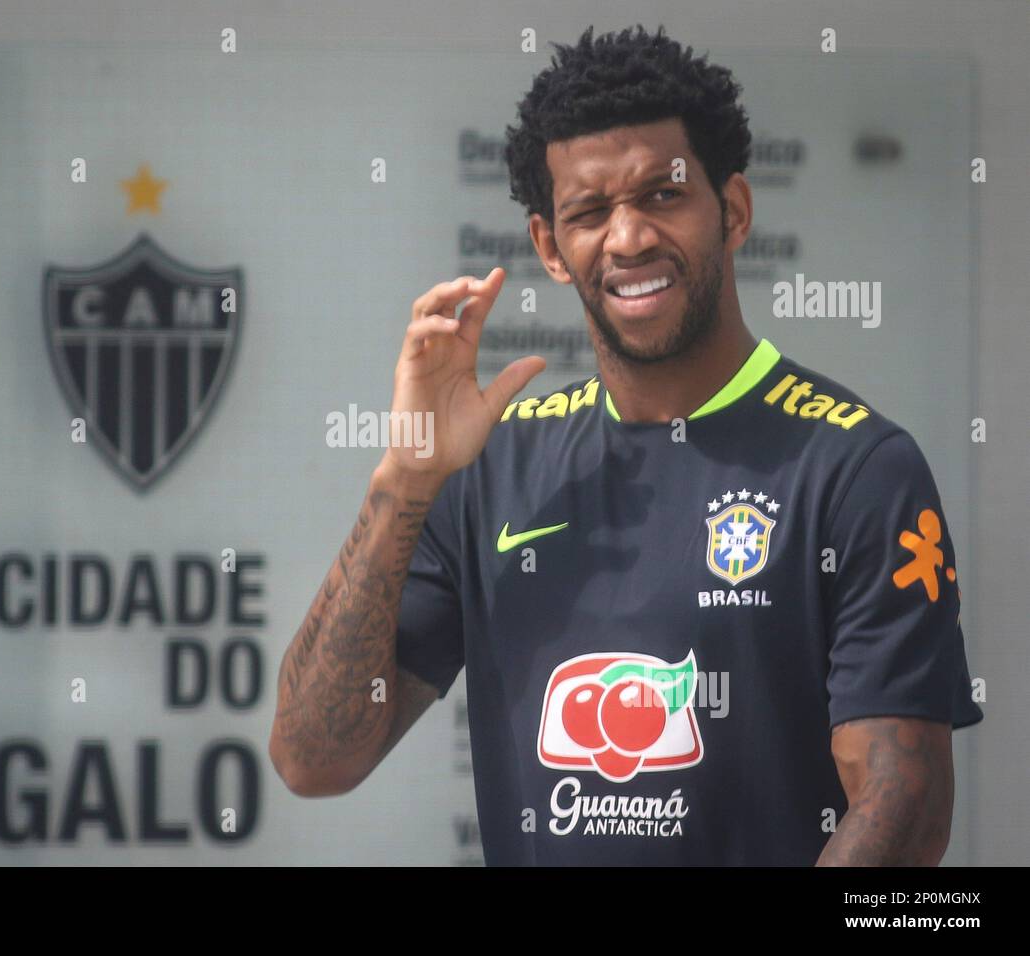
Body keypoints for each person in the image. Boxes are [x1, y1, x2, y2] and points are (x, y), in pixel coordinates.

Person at [268, 24, 982, 865]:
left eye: (662, 195)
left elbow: (906, 807)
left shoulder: (857, 468)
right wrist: (407, 477)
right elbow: (313, 759)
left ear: (734, 211)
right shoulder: (489, 467)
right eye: (590, 212)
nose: (629, 237)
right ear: (550, 247)